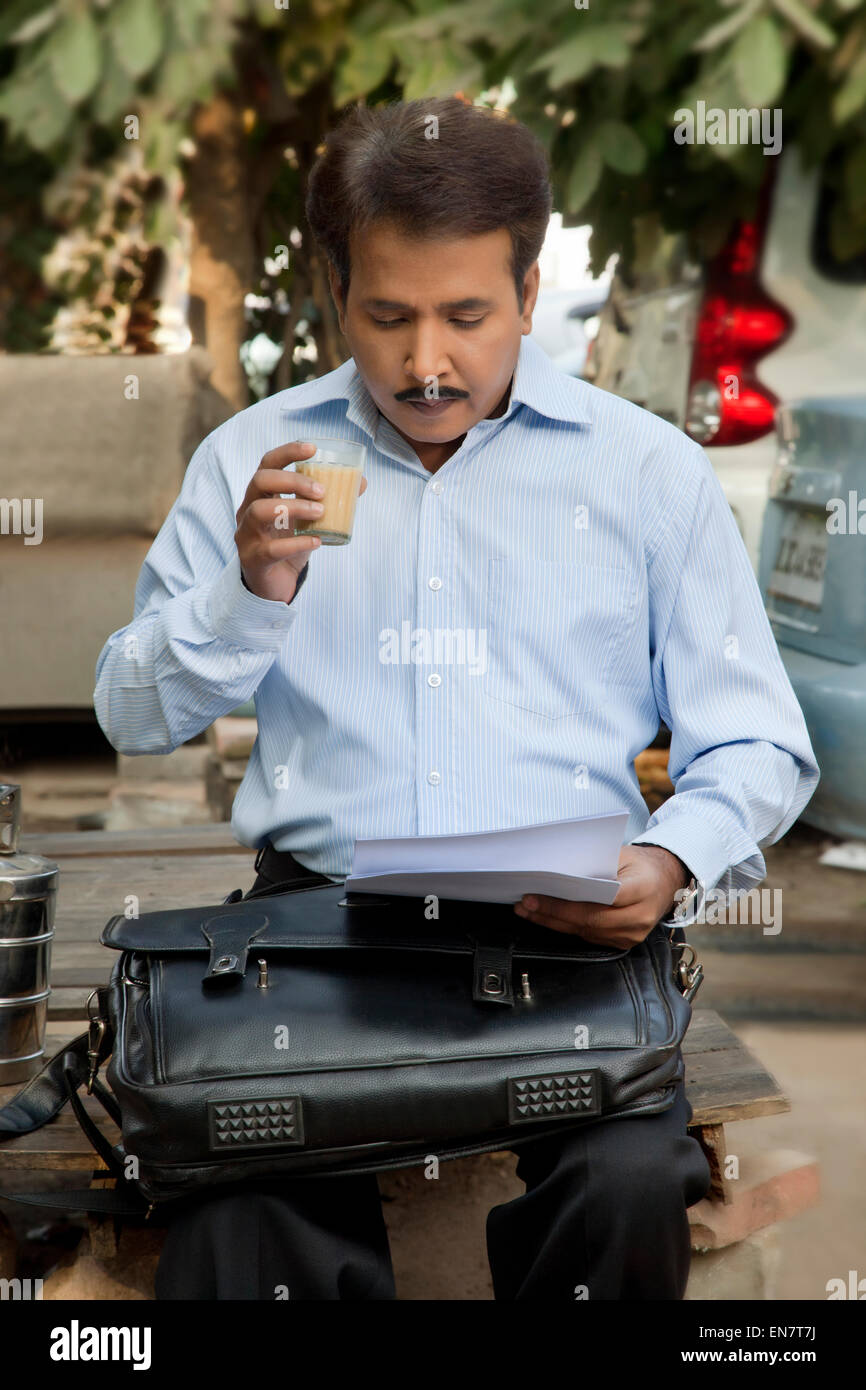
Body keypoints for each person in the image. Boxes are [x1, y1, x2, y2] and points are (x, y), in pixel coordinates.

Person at [94, 97, 818, 1300]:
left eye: (466, 316)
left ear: (531, 297)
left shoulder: (640, 472)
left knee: (630, 1181)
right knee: (240, 1215)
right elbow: (130, 714)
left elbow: (754, 740)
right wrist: (246, 591)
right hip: (312, 943)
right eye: (387, 317)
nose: (426, 361)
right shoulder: (257, 464)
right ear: (335, 294)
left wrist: (670, 863)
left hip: (566, 934)